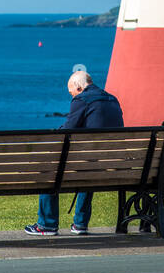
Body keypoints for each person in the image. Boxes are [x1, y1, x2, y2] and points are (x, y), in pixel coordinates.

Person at [24, 70, 124, 236]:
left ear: (78, 87)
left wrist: (55, 134)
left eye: (72, 93)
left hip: (89, 161)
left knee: (48, 170)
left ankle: (47, 225)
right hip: (114, 163)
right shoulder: (113, 99)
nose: (72, 97)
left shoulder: (82, 99)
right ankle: (80, 224)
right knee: (89, 166)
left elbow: (69, 129)